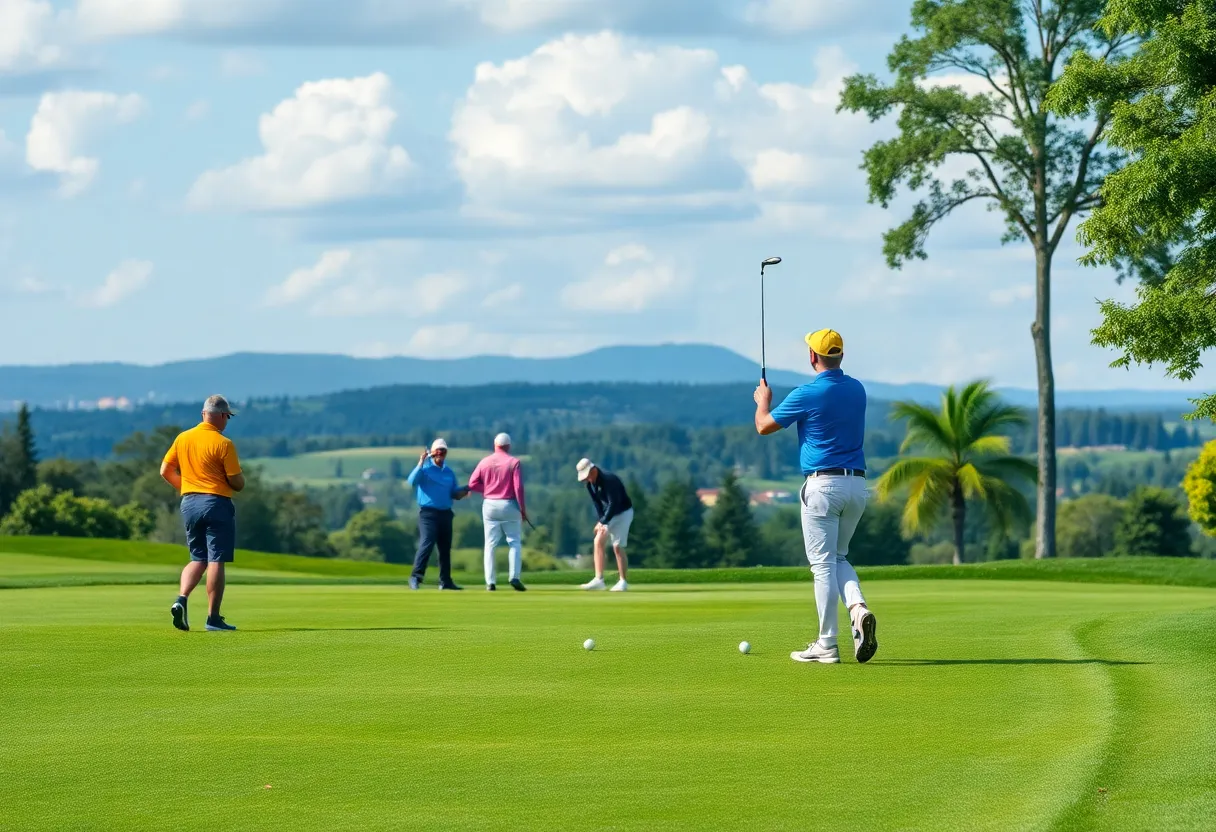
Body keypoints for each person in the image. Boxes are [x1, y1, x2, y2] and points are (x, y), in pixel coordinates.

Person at [753, 328, 878, 664]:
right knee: (838, 558)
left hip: (823, 486)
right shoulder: (857, 389)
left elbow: (764, 426)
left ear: (812, 356)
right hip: (856, 487)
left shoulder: (806, 393)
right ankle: (857, 607)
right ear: (841, 355)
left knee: (822, 565)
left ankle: (827, 644)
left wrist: (763, 401)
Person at [161, 395, 245, 632]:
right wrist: (239, 481)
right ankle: (213, 619)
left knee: (197, 558)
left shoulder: (182, 438)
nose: (227, 421)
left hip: (189, 503)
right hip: (216, 503)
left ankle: (181, 599)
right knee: (217, 558)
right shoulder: (223, 443)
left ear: (203, 414)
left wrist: (188, 487)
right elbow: (236, 482)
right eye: (227, 417)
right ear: (219, 415)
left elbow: (165, 470)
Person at [467, 432, 529, 591]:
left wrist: (486, 488)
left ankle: (490, 582)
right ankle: (514, 577)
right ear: (508, 446)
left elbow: (472, 483)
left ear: (495, 445)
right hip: (509, 504)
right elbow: (518, 488)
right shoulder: (514, 462)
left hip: (489, 504)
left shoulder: (484, 462)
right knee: (514, 542)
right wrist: (522, 509)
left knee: (490, 544)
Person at [407, 438, 469, 590]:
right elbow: (411, 481)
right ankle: (416, 576)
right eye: (438, 451)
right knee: (427, 542)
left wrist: (465, 490)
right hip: (428, 514)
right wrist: (421, 462)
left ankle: (445, 581)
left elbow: (454, 493)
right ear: (432, 453)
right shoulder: (425, 470)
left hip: (446, 513)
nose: (441, 453)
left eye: (443, 451)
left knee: (445, 548)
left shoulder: (449, 472)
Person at [575, 458, 633, 591]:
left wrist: (603, 521)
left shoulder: (609, 480)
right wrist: (602, 521)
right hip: (610, 514)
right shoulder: (590, 484)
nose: (586, 479)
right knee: (598, 541)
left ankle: (623, 581)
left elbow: (614, 503)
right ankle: (599, 580)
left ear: (593, 470)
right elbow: (598, 504)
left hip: (624, 513)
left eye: (587, 475)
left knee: (617, 546)